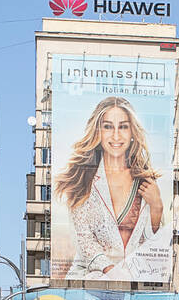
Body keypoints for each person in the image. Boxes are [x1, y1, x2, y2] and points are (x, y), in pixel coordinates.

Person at [55, 95, 169, 282]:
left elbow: (153, 246)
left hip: (134, 283)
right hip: (90, 280)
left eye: (123, 126)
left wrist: (157, 208)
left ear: (132, 131)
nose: (116, 135)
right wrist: (110, 271)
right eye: (108, 126)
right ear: (98, 131)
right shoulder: (82, 178)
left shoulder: (146, 181)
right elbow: (84, 240)